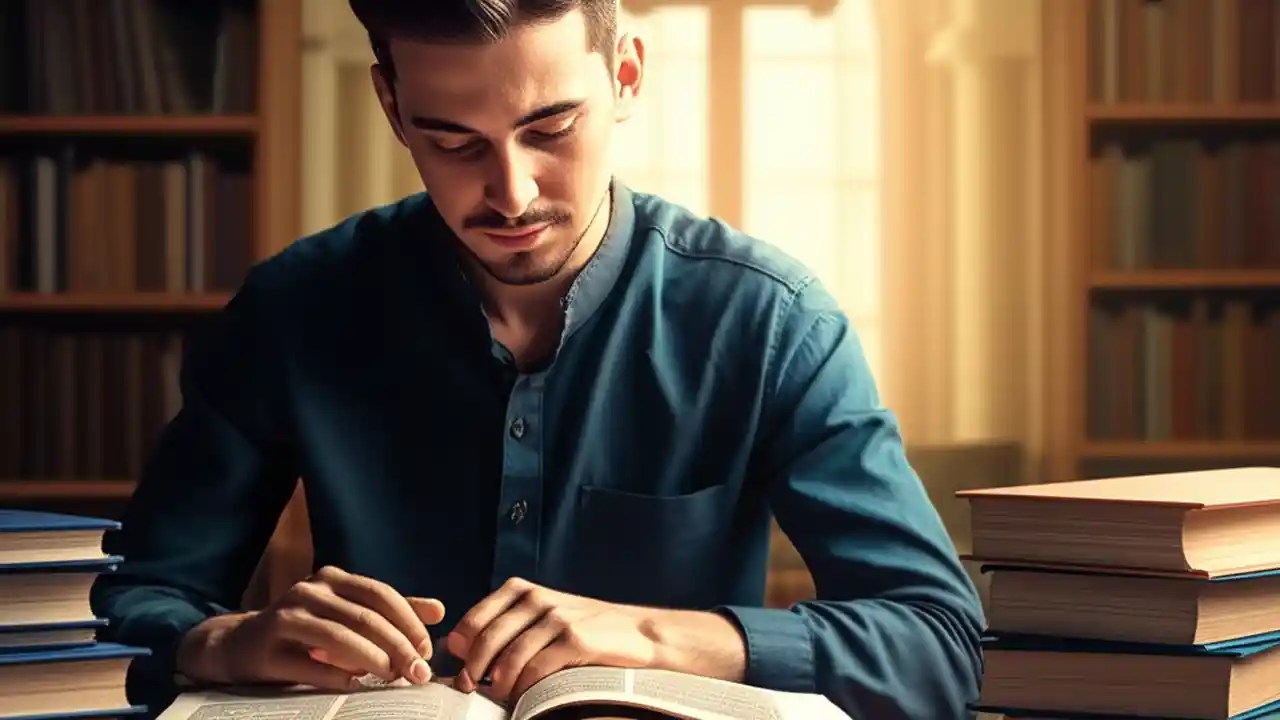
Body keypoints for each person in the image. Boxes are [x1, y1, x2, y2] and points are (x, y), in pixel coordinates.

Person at [92, 1, 985, 718]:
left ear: (626, 75)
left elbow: (938, 643)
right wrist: (223, 642)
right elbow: (124, 602)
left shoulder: (771, 320)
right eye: (453, 142)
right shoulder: (293, 309)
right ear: (392, 106)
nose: (512, 193)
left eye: (551, 126)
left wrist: (652, 636)